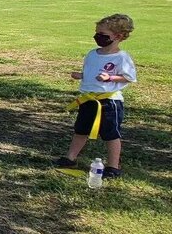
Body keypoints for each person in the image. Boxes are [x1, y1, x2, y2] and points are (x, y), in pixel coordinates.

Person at [53, 14, 137, 178]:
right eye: (97, 33)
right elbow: (91, 72)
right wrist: (82, 75)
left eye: (103, 35)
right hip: (88, 99)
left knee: (110, 134)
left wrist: (111, 78)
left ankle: (113, 166)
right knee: (81, 130)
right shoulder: (92, 54)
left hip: (109, 101)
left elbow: (129, 77)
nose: (98, 37)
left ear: (118, 36)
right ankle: (70, 158)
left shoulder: (121, 57)